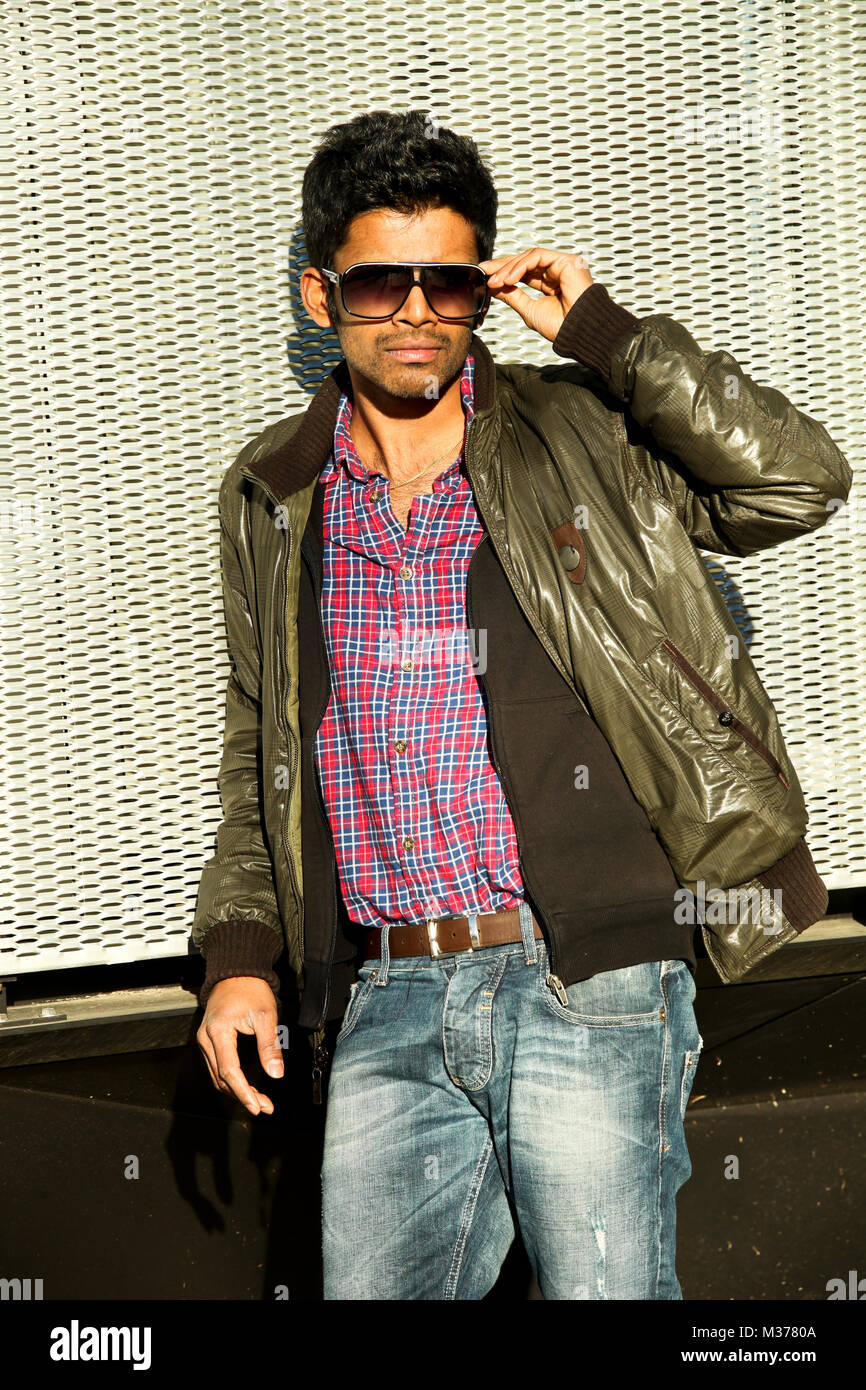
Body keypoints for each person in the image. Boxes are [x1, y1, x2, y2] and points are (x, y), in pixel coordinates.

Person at [193, 109, 851, 1299]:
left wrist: (603, 333)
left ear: (481, 293)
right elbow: (262, 746)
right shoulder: (274, 490)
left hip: (585, 976)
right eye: (378, 281)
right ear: (317, 292)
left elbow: (796, 479)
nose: (412, 313)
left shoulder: (581, 428)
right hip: (385, 998)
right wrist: (240, 956)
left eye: (445, 284)